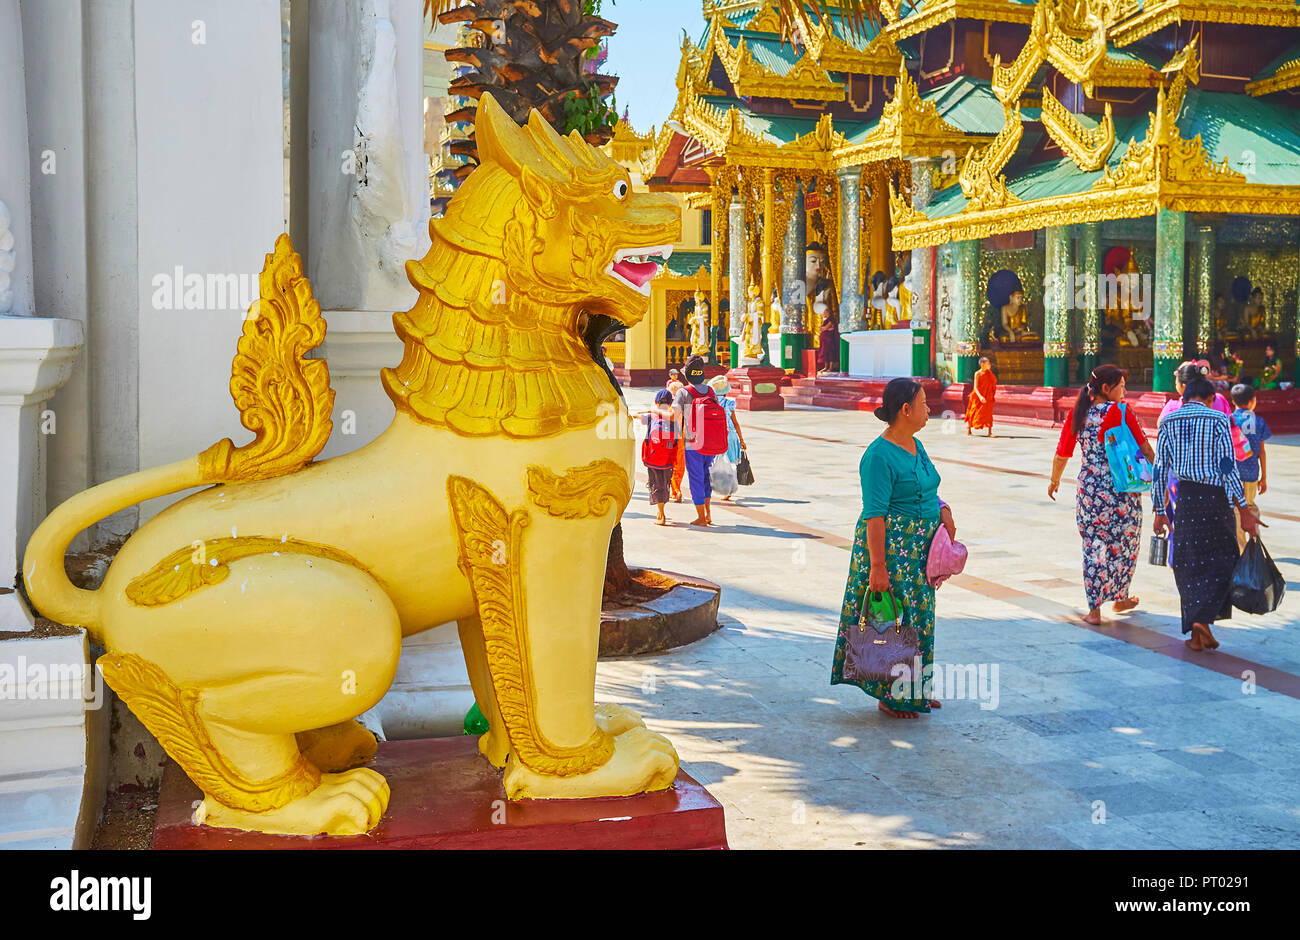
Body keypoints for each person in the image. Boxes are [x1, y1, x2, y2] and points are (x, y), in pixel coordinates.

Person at [831, 378, 957, 718]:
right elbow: (875, 515)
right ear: (905, 410)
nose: (929, 408)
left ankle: (915, 691)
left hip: (920, 553)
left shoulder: (916, 445)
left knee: (920, 619)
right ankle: (892, 695)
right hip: (893, 552)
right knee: (894, 622)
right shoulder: (877, 456)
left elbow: (927, 487)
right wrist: (878, 567)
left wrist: (943, 509)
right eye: (923, 403)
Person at [1153, 374, 1260, 651]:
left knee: (1189, 564)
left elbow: (1160, 469)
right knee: (1224, 559)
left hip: (1185, 501)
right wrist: (1244, 509)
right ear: (1212, 399)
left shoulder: (1168, 421)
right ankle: (1202, 622)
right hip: (1215, 501)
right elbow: (1228, 468)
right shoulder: (1219, 420)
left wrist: (1159, 510)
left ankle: (1198, 628)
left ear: (1183, 397)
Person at [1048, 365, 1154, 626]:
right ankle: (1119, 596)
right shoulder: (1121, 412)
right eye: (1121, 385)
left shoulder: (1078, 413)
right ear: (1107, 389)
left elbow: (1063, 452)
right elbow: (1144, 446)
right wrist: (1160, 472)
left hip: (1090, 492)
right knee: (1124, 543)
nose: (1125, 391)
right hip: (1122, 491)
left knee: (1095, 546)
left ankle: (1095, 609)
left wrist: (1054, 480)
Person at [674, 356, 718, 526]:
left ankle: (701, 518)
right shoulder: (710, 390)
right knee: (706, 475)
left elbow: (676, 415)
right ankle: (707, 514)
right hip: (711, 439)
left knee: (696, 477)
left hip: (692, 440)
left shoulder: (683, 392)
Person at [1230, 383, 1272, 551]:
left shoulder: (1229, 420)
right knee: (1250, 505)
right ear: (1253, 401)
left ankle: (1241, 551)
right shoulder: (1259, 422)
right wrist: (1264, 477)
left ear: (1233, 401)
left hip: (1233, 477)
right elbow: (1262, 451)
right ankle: (1255, 544)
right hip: (1252, 475)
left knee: (1236, 512)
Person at [635, 389, 678, 526]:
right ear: (671, 403)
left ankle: (661, 514)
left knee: (656, 483)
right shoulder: (673, 419)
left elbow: (635, 416)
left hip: (652, 458)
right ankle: (662, 509)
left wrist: (644, 412)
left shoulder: (652, 416)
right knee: (664, 484)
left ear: (655, 402)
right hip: (667, 459)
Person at [707, 375, 747, 501]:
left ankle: (720, 486)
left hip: (717, 436)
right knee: (731, 463)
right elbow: (735, 422)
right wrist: (741, 439)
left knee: (715, 462)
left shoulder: (710, 403)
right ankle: (728, 489)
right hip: (731, 435)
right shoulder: (730, 403)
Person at [666, 374, 686, 502]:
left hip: (670, 440)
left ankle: (676, 490)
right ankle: (676, 489)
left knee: (671, 465)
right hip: (683, 441)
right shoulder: (685, 407)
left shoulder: (669, 408)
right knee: (679, 465)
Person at [965, 357, 997, 437]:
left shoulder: (989, 373)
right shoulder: (977, 373)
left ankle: (990, 432)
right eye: (988, 363)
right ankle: (969, 429)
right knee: (973, 411)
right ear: (982, 364)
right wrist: (980, 396)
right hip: (978, 396)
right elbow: (975, 387)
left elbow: (993, 383)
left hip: (987, 395)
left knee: (988, 413)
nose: (989, 365)